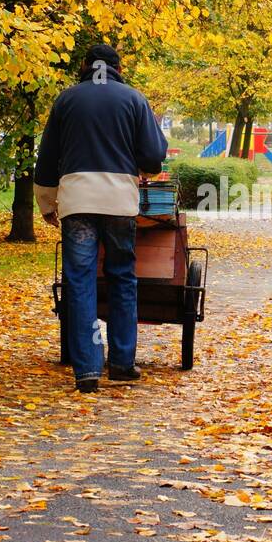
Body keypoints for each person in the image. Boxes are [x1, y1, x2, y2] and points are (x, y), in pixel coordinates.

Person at [33, 44, 168, 393]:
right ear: (117, 67)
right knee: (122, 276)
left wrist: (47, 203)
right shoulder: (134, 99)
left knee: (79, 281)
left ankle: (88, 368)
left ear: (83, 65)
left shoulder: (67, 100)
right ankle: (122, 363)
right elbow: (154, 156)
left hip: (77, 201)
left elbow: (47, 158)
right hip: (119, 201)